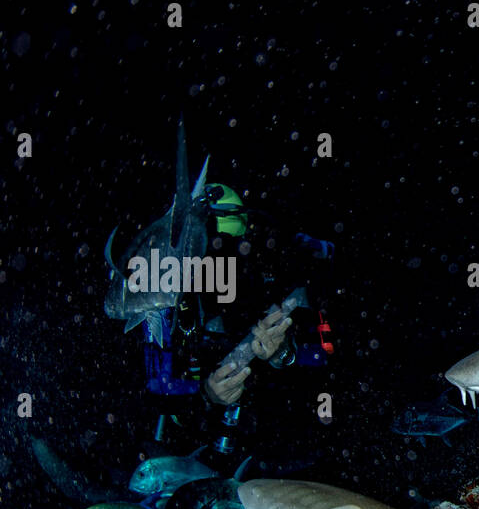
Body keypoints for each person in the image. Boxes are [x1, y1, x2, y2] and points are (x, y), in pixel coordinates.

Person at [137, 181, 336, 470]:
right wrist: (205, 396)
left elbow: (324, 360)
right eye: (208, 252)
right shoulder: (165, 300)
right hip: (192, 456)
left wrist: (284, 355)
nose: (219, 267)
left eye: (231, 250)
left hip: (273, 450)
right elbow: (160, 392)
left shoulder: (274, 278)